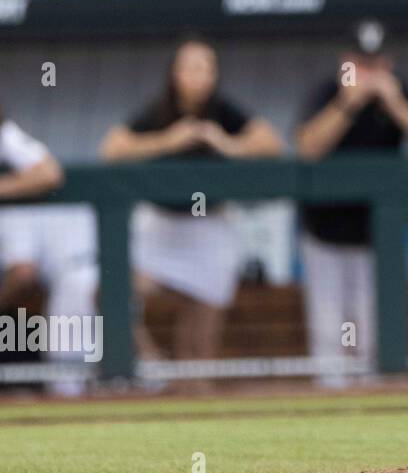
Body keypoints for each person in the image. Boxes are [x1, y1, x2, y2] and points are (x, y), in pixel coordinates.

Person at [99, 38, 283, 365]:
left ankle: (196, 386)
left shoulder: (222, 111)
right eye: (190, 68)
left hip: (209, 224)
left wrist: (226, 143)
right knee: (113, 290)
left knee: (201, 328)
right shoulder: (159, 110)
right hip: (161, 224)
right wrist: (168, 140)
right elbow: (112, 149)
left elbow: (272, 143)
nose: (199, 76)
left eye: (206, 68)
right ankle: (152, 364)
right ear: (174, 73)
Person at [296, 21, 408, 385]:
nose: (368, 71)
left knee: (374, 341)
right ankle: (330, 413)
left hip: (379, 240)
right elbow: (306, 148)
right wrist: (348, 103)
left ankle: (373, 414)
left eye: (375, 63)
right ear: (346, 62)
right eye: (361, 62)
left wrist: (394, 103)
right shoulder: (328, 92)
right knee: (330, 341)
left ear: (388, 63)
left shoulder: (398, 92)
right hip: (326, 235)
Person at [0, 108, 98, 395]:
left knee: (66, 379)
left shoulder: (15, 197)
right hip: (94, 272)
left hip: (79, 275)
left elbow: (23, 275)